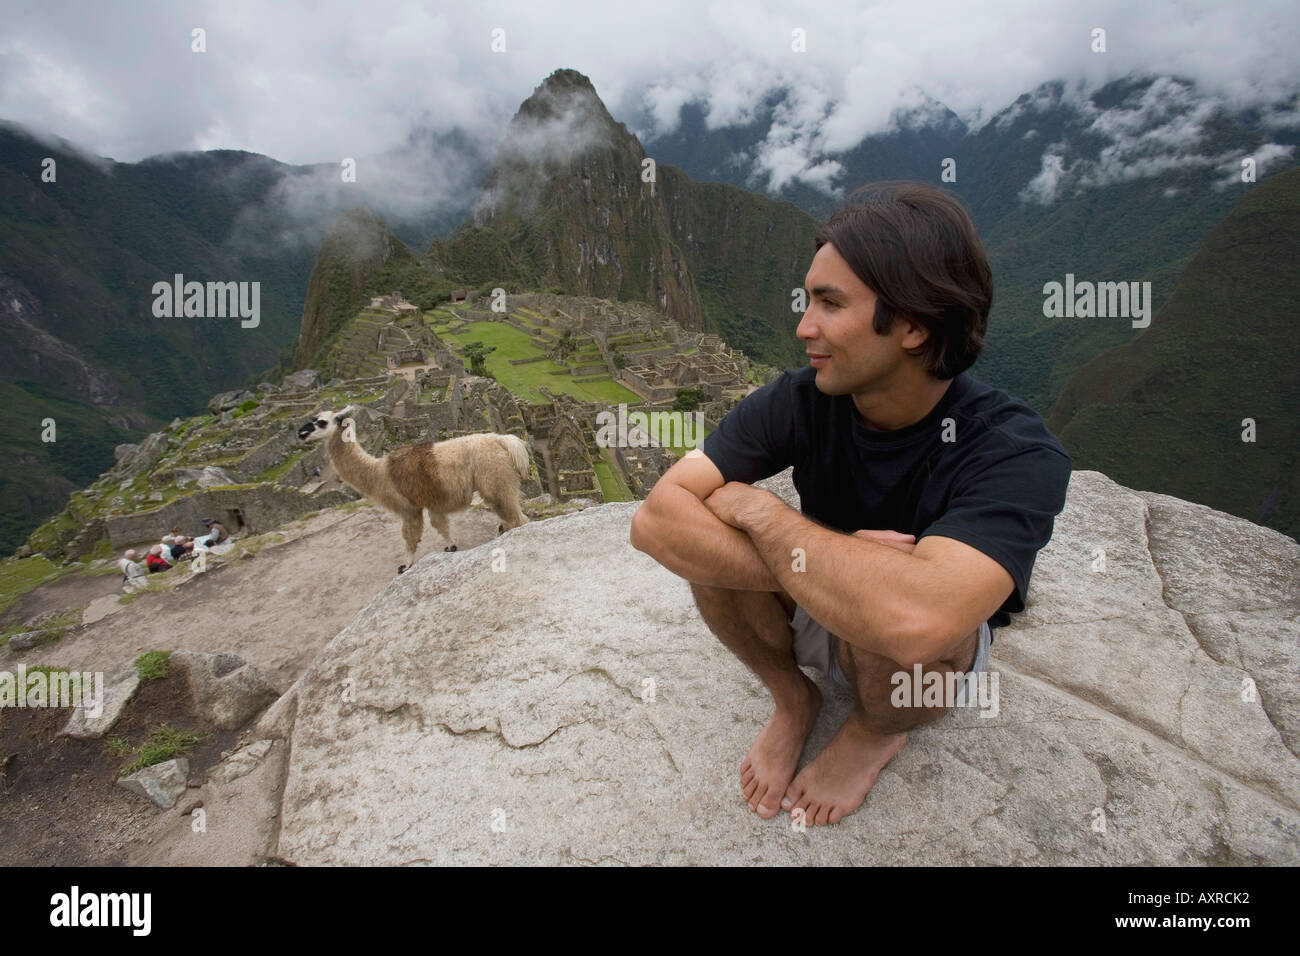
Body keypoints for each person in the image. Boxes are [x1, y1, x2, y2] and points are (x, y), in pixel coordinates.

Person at [631, 181, 1072, 827]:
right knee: (708, 542)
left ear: (915, 326)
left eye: (829, 304)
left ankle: (873, 731)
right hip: (823, 592)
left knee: (901, 628)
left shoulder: (1013, 452)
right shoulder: (801, 399)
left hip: (913, 653)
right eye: (809, 299)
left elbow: (917, 618)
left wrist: (764, 514)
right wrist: (806, 566)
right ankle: (793, 699)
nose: (803, 326)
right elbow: (656, 520)